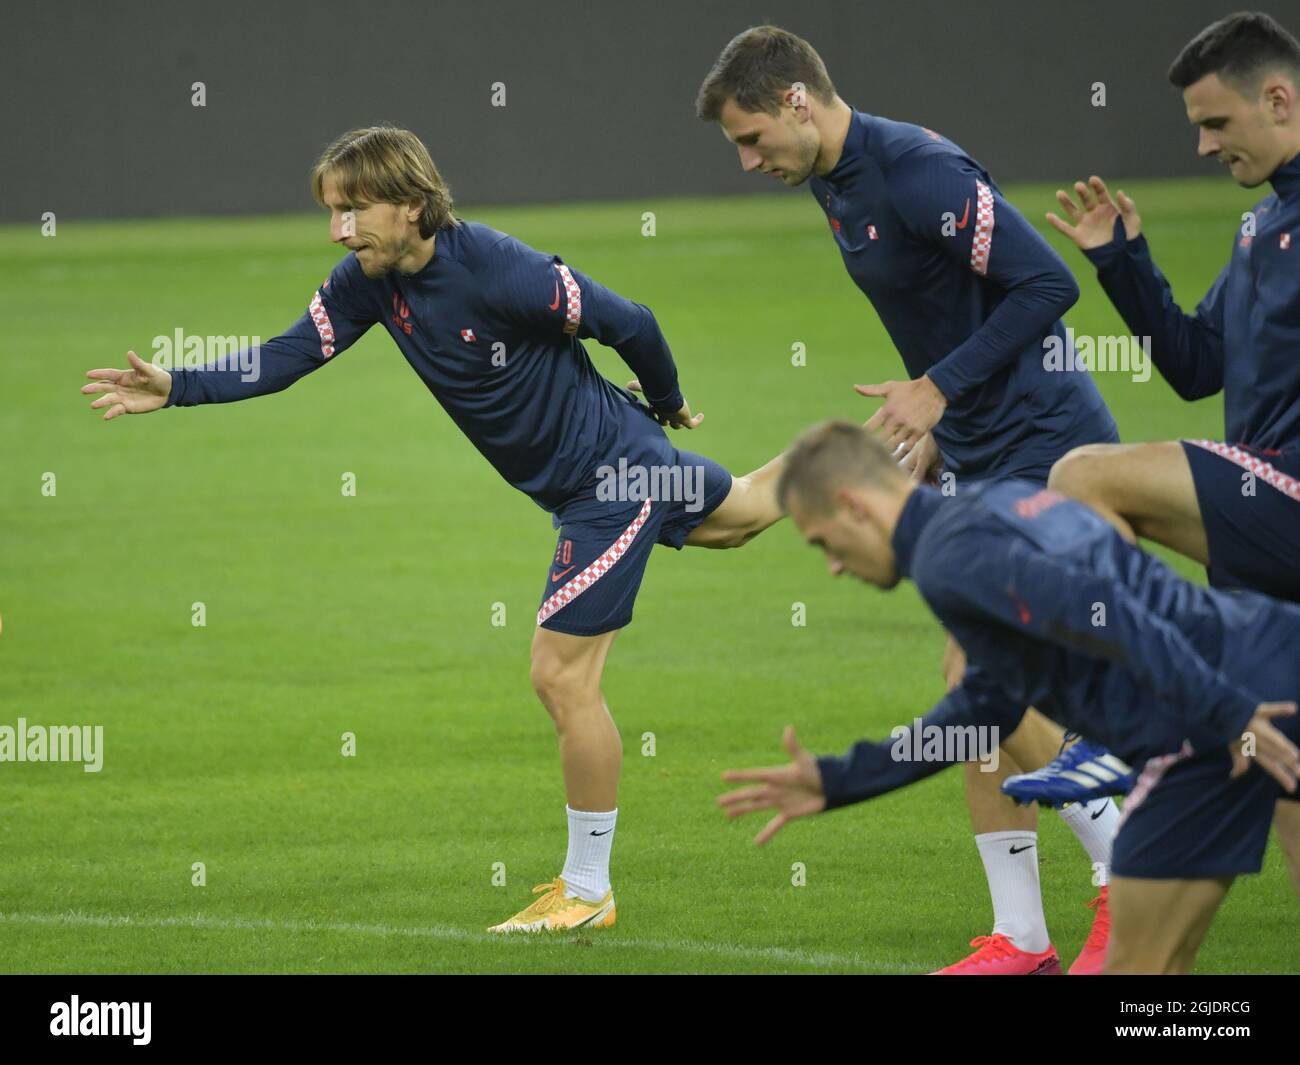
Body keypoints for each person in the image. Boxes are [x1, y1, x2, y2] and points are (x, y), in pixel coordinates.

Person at [80, 124, 789, 933]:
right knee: (748, 513)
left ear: (413, 205)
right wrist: (177, 387)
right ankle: (894, 453)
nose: (340, 231)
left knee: (561, 677)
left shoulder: (499, 266)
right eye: (333, 213)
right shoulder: (367, 283)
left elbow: (630, 319)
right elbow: (286, 356)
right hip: (593, 479)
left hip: (613, 480)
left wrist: (664, 403)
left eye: (355, 209)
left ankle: (588, 891)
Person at [697, 25, 1120, 973]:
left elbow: (1047, 283)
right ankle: (1021, 937)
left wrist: (937, 388)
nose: (747, 158)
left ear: (799, 99)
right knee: (976, 689)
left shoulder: (917, 168)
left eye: (754, 136)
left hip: (1049, 448)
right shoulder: (834, 182)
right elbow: (944, 308)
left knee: (978, 669)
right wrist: (940, 419)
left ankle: (1122, 875)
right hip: (975, 447)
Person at [719, 419, 1300, 974]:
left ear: (853, 505)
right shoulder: (988, 507)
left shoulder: (950, 557)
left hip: (1223, 719)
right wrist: (840, 780)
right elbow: (987, 706)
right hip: (1262, 665)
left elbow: (1101, 610)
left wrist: (1229, 711)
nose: (834, 567)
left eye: (826, 543)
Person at [1024, 13, 1300, 823]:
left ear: (1279, 98)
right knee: (1284, 792)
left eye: (1217, 122)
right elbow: (1192, 365)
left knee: (1083, 476)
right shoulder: (1264, 226)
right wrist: (1123, 264)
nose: (1206, 148)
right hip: (1263, 547)